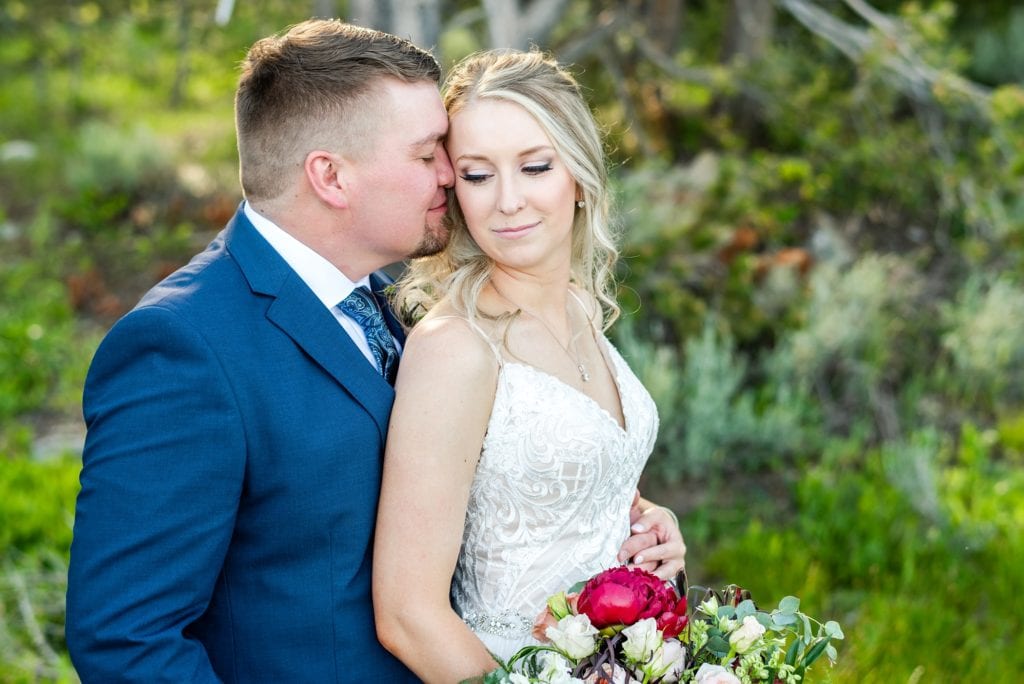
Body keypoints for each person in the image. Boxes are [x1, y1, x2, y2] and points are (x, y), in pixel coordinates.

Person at [66, 20, 671, 683]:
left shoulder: (390, 299)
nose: (450, 177)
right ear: (331, 176)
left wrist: (634, 533)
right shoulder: (184, 348)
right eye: (427, 155)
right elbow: (126, 640)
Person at [373, 49, 687, 683]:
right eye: (478, 175)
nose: (507, 202)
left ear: (577, 172)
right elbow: (408, 616)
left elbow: (543, 487)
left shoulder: (578, 306)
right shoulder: (456, 350)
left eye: (535, 167)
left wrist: (650, 519)